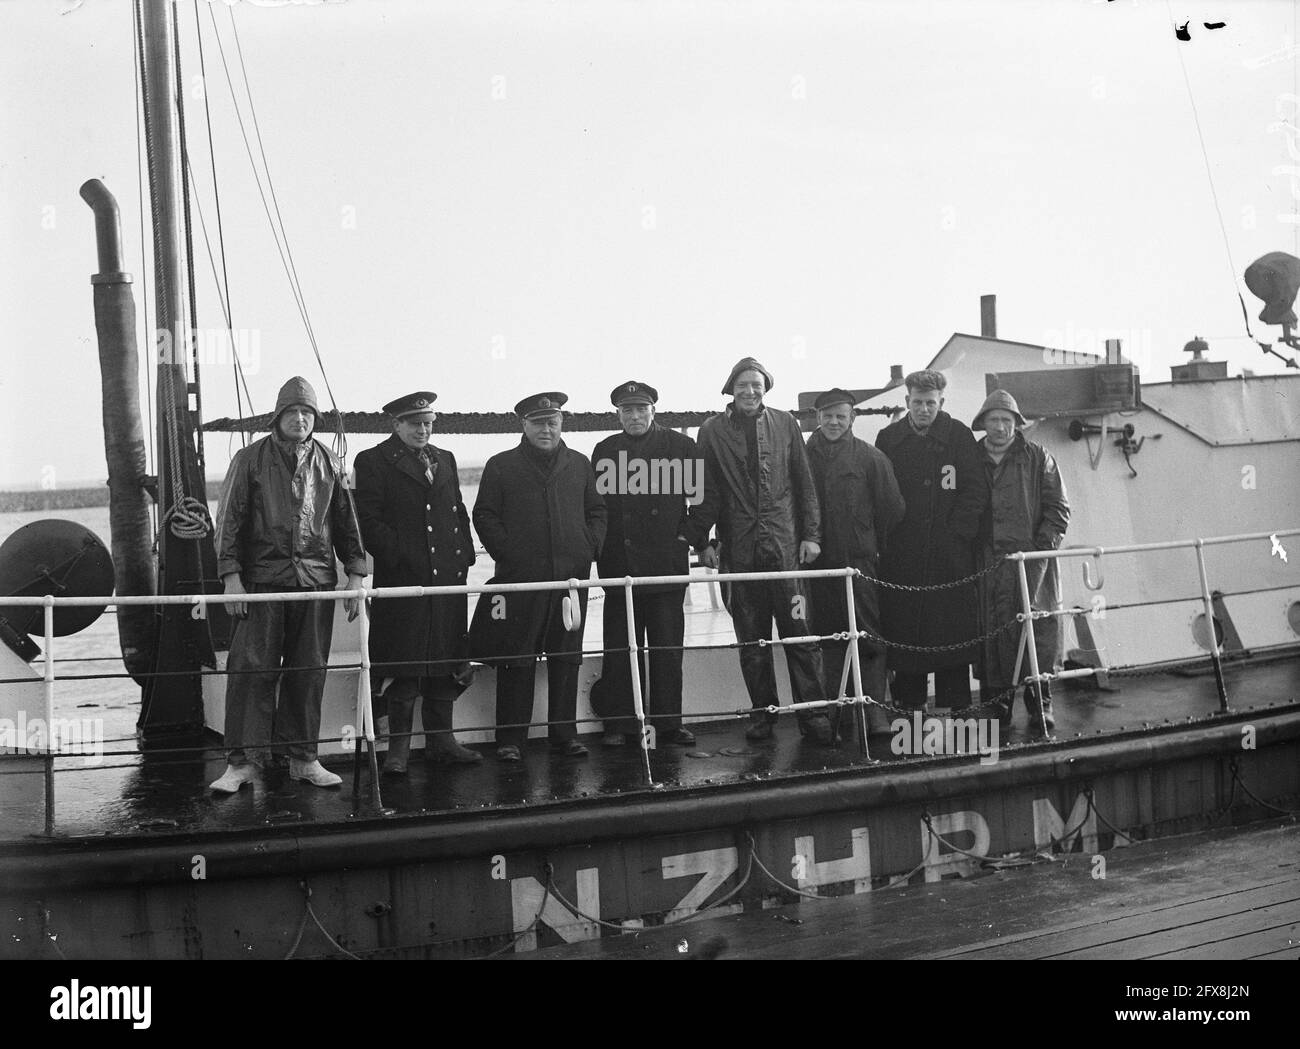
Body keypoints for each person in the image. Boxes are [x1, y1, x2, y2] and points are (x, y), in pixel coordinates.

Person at [210, 376, 367, 792]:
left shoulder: (330, 462)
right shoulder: (249, 460)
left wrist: (355, 574)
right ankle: (242, 763)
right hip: (262, 584)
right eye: (293, 412)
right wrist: (231, 579)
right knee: (250, 670)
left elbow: (347, 523)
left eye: (308, 413)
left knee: (308, 671)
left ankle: (304, 758)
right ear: (278, 417)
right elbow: (228, 522)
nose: (301, 419)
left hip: (315, 583)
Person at [689, 357, 833, 744]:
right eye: (742, 385)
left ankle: (814, 716)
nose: (750, 391)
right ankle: (763, 715)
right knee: (751, 641)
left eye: (756, 385)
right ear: (730, 390)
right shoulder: (712, 431)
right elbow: (705, 490)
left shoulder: (785, 423)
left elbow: (804, 482)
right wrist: (701, 540)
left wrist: (812, 535)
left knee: (800, 634)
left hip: (785, 548)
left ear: (765, 388)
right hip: (739, 549)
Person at [469, 392, 607, 762]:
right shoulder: (501, 466)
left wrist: (587, 548)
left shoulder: (579, 464)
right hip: (522, 580)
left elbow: (597, 510)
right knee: (518, 657)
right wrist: (510, 554)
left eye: (553, 421)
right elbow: (484, 515)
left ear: (562, 423)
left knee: (566, 657)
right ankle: (511, 739)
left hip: (570, 580)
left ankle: (564, 736)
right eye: (538, 422)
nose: (546, 429)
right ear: (523, 425)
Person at [353, 390, 482, 774]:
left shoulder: (446, 459)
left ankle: (442, 741)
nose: (423, 430)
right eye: (415, 424)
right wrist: (402, 555)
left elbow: (457, 510)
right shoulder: (373, 461)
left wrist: (465, 553)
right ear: (397, 424)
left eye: (428, 424)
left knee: (445, 659)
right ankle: (399, 750)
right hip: (403, 580)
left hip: (447, 577)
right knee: (404, 663)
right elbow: (367, 520)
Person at [590, 380, 699, 748]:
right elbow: (598, 508)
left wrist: (685, 536)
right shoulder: (606, 451)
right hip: (621, 566)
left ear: (654, 410)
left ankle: (669, 724)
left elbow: (701, 500)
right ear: (618, 414)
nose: (634, 417)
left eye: (640, 409)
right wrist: (599, 547)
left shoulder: (681, 448)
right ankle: (619, 724)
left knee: (667, 648)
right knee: (620, 648)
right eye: (626, 411)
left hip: (667, 564)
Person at [875, 369, 988, 711]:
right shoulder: (888, 439)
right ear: (907, 401)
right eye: (918, 403)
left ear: (942, 402)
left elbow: (974, 489)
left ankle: (957, 712)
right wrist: (890, 536)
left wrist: (956, 533)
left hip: (948, 557)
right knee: (908, 639)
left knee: (950, 637)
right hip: (903, 557)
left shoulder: (958, 436)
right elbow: (881, 494)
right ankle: (911, 715)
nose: (924, 409)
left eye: (931, 403)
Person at [805, 388, 905, 740]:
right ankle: (838, 712)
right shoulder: (801, 457)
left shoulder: (870, 458)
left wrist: (867, 541)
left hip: (859, 563)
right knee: (826, 635)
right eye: (827, 416)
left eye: (840, 416)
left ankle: (874, 711)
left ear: (852, 419)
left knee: (868, 635)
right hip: (815, 565)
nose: (833, 422)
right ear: (817, 418)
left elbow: (892, 509)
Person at [971, 389, 1070, 734]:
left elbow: (1058, 511)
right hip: (987, 564)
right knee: (993, 635)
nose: (1000, 427)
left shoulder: (1038, 457)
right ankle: (997, 707)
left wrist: (1039, 551)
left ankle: (1040, 704)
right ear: (983, 423)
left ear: (1016, 424)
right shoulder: (970, 457)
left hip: (1032, 561)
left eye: (1006, 420)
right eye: (994, 420)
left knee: (1037, 633)